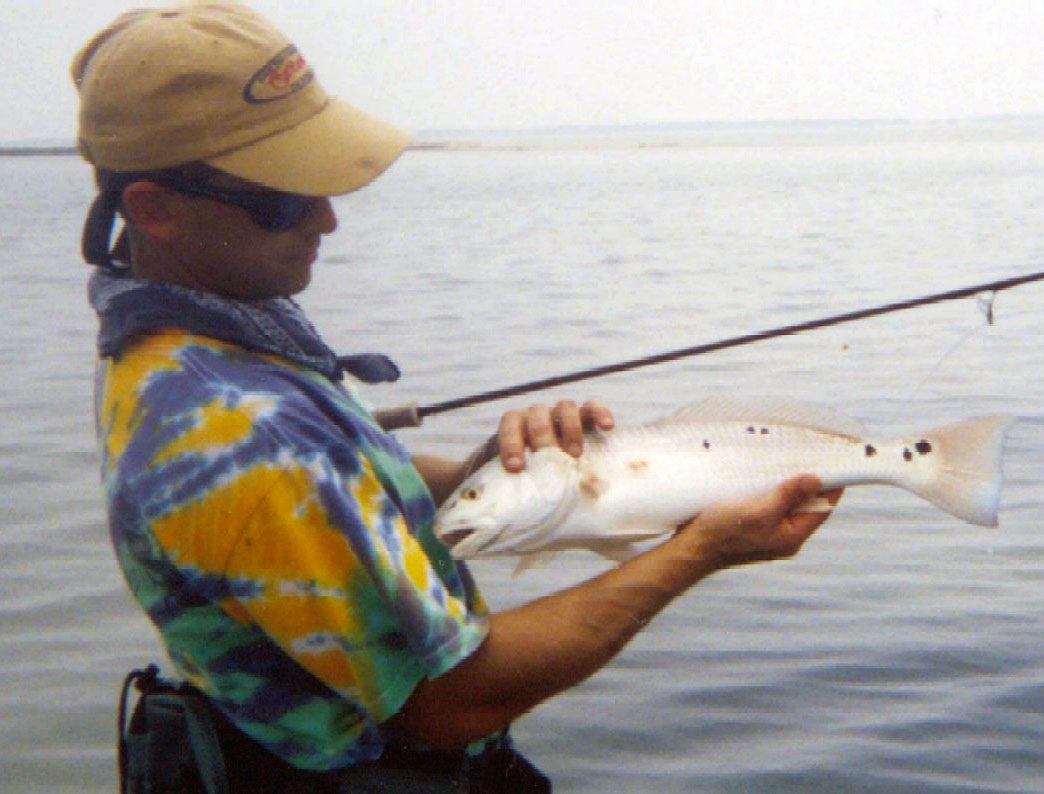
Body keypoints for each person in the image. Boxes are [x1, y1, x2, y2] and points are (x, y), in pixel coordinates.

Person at [73, 3, 841, 792]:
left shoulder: (190, 346)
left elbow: (344, 492)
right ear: (154, 211)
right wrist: (698, 550)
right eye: (282, 197)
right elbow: (452, 701)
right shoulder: (235, 430)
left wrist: (500, 467)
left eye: (320, 181)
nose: (328, 217)